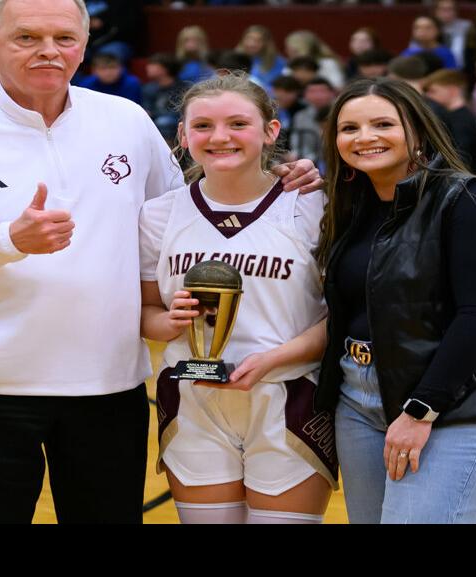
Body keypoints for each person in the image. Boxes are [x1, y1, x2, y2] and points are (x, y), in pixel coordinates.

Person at [0, 0, 321, 524]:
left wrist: (277, 178)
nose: (49, 51)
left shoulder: (126, 121)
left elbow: (189, 207)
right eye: (27, 37)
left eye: (64, 38)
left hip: (109, 386)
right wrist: (8, 240)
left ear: (84, 46)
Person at [315, 77, 476, 523]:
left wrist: (420, 409)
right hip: (357, 398)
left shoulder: (469, 199)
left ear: (417, 129)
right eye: (349, 128)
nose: (365, 137)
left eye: (382, 124)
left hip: (453, 403)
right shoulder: (348, 206)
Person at [140, 72, 334, 525]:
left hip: (289, 395)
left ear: (271, 131)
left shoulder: (313, 205)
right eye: (203, 126)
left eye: (238, 124)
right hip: (193, 400)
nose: (219, 137)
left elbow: (343, 316)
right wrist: (167, 322)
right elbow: (147, 311)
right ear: (183, 136)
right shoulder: (159, 214)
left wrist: (273, 359)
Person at [423, 69, 476, 179]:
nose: (428, 96)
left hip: (468, 181)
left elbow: (461, 157)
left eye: (433, 91)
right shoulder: (453, 116)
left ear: (452, 91)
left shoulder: (462, 120)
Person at [77, 52, 142, 104]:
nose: (108, 72)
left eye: (112, 67)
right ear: (94, 70)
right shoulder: (86, 84)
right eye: (103, 68)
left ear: (121, 68)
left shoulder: (131, 83)